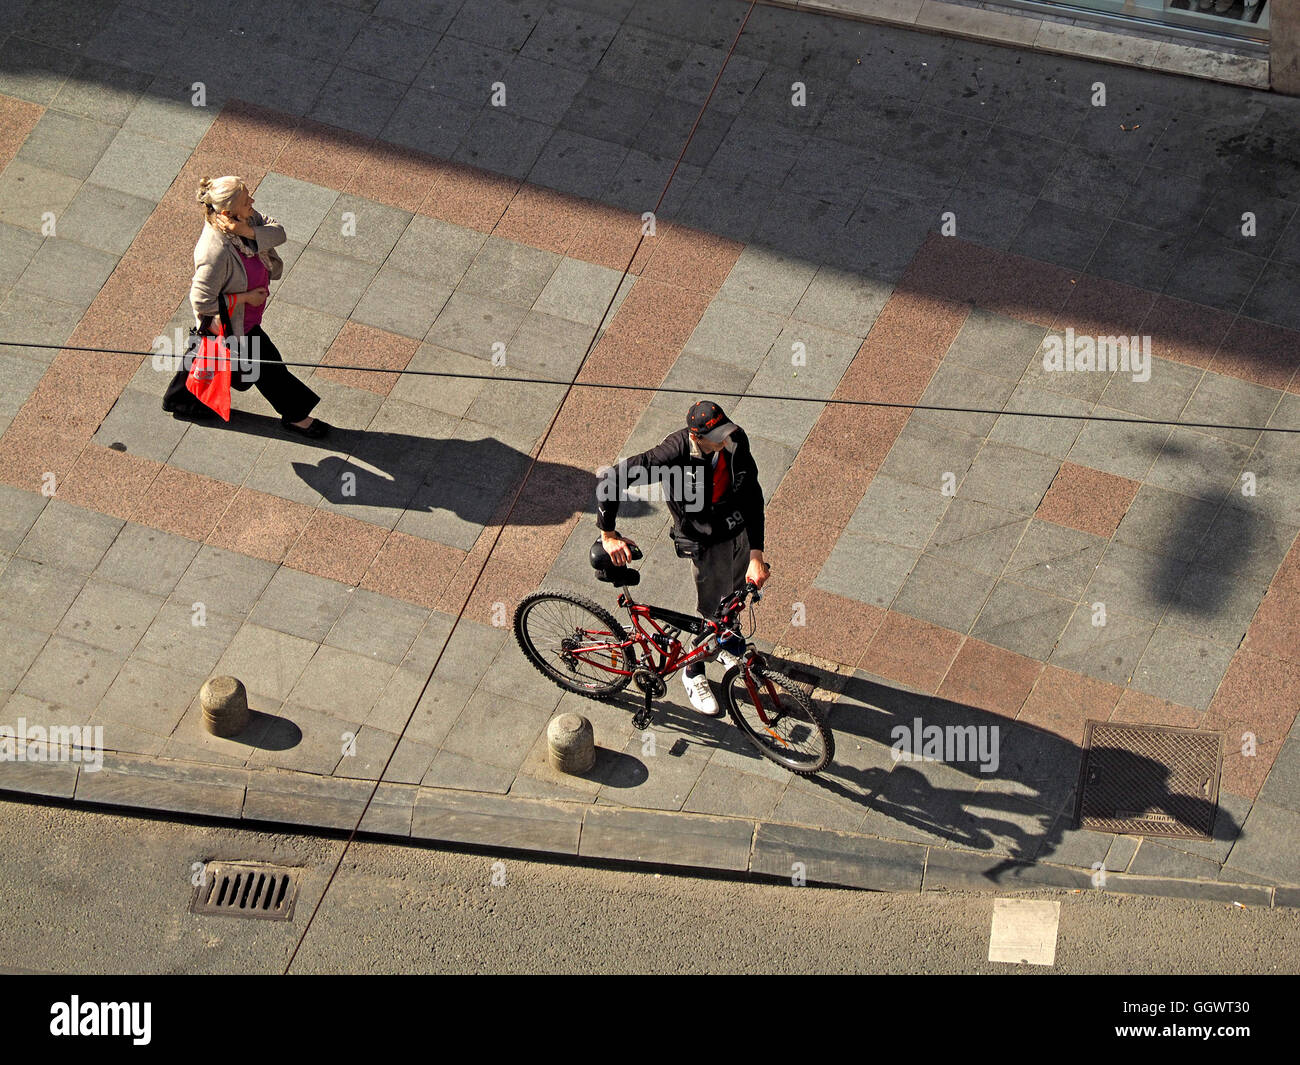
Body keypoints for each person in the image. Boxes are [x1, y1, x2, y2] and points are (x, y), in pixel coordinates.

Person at [596, 399, 770, 715]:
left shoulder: (734, 439)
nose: (726, 438)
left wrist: (757, 552)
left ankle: (723, 640)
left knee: (735, 598)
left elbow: (751, 494)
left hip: (738, 532)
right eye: (717, 435)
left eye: (726, 429)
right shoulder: (671, 454)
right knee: (713, 609)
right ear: (697, 437)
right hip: (706, 543)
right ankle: (694, 669)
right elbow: (612, 479)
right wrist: (608, 534)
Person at [162, 175, 329, 438]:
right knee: (268, 366)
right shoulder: (214, 251)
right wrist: (246, 297)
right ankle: (297, 416)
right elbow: (202, 301)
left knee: (205, 356)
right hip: (237, 323)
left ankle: (181, 400)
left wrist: (248, 232)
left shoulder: (245, 220)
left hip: (246, 317)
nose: (252, 201)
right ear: (227, 211)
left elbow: (279, 233)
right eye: (246, 199)